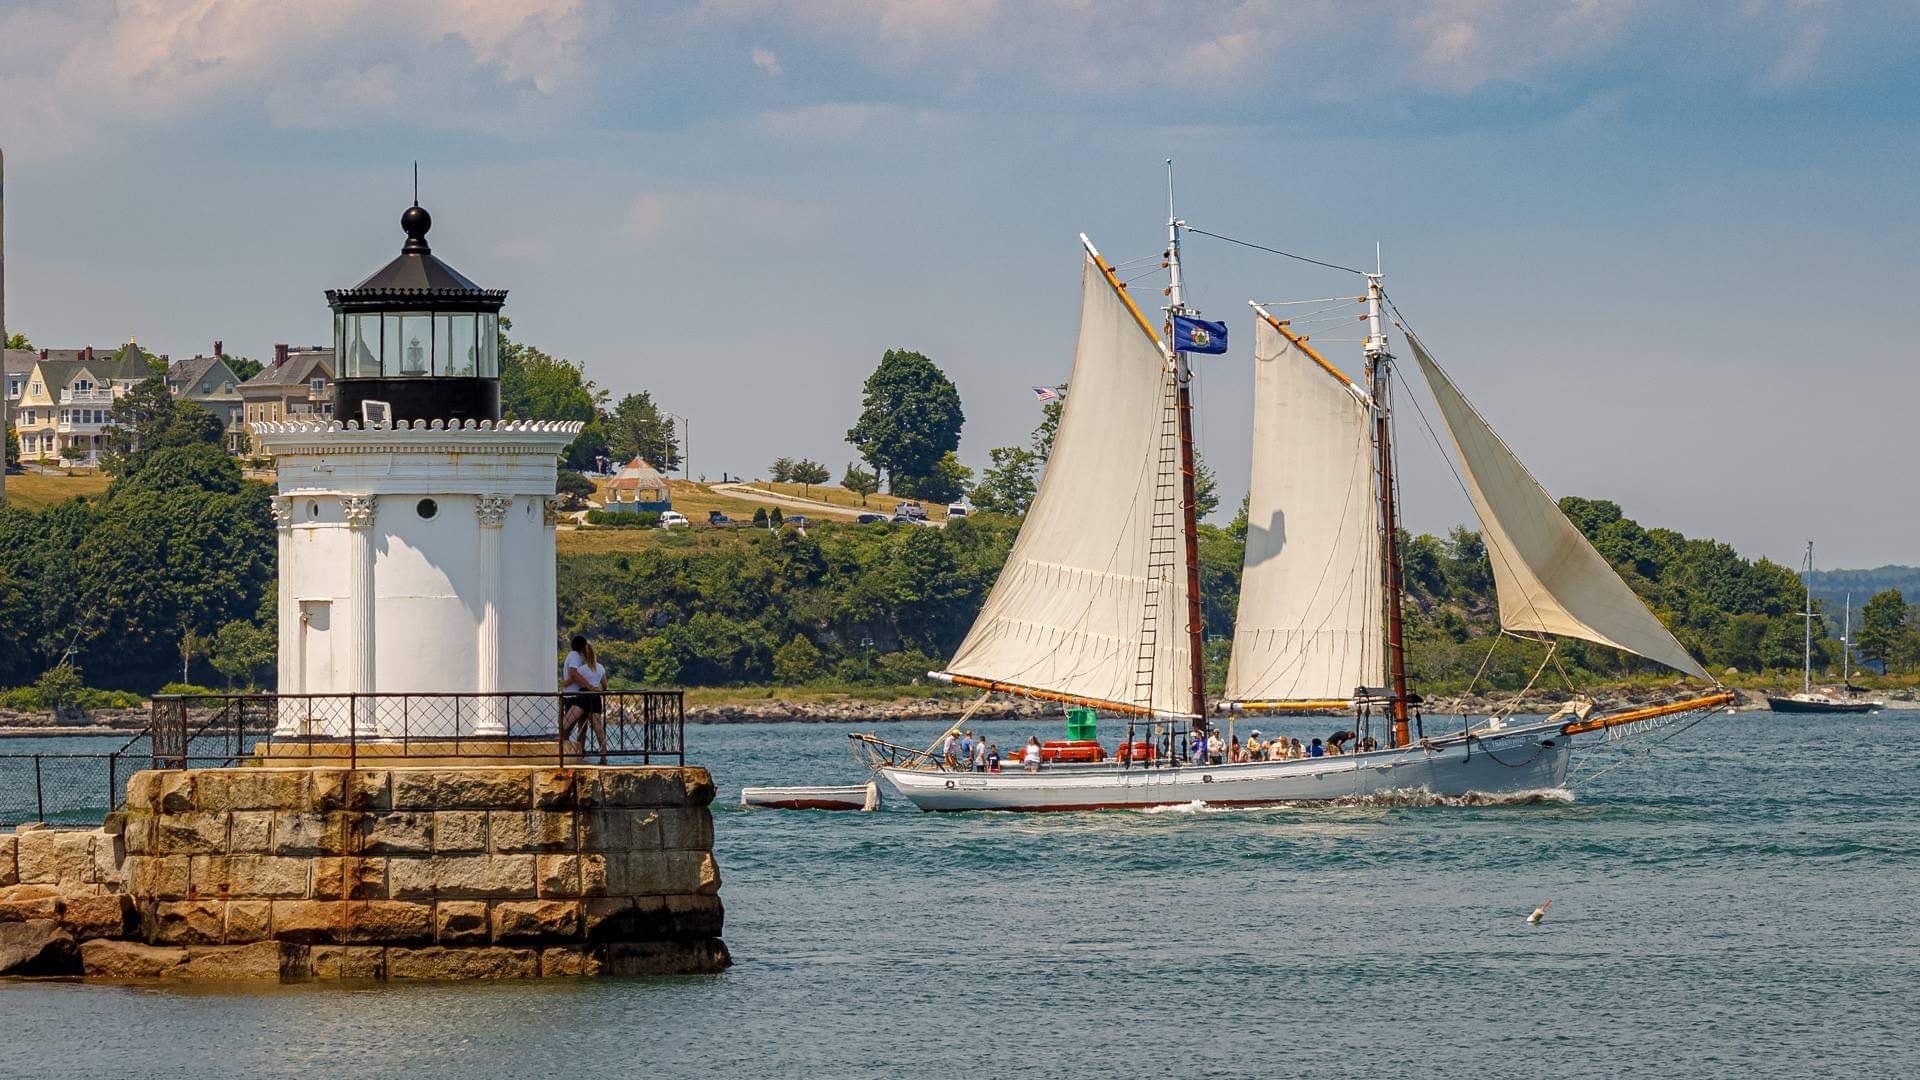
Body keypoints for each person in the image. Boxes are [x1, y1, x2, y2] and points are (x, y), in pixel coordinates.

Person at [559, 634, 610, 764]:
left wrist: (563, 683)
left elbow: (571, 680)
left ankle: (563, 752)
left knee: (565, 724)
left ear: (585, 654)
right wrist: (597, 688)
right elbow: (605, 686)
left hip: (582, 698)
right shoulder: (600, 668)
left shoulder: (581, 669)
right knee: (598, 728)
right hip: (596, 699)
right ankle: (603, 755)